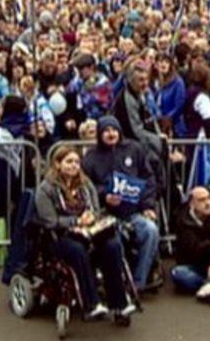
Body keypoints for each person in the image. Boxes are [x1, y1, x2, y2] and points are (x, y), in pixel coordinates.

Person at [34, 145, 137, 323]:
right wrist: (76, 222)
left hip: (89, 232)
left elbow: (95, 209)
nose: (74, 165)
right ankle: (92, 304)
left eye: (76, 162)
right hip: (61, 236)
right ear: (57, 164)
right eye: (69, 162)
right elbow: (49, 221)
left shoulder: (86, 184)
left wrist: (92, 217)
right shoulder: (46, 189)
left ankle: (119, 303)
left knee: (112, 245)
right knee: (77, 250)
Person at [81, 116, 161, 292]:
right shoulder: (91, 157)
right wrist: (104, 195)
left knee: (151, 230)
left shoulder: (134, 149)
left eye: (114, 130)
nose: (111, 134)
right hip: (105, 214)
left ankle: (138, 282)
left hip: (133, 212)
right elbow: (86, 186)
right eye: (106, 131)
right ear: (100, 134)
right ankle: (116, 282)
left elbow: (148, 178)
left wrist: (148, 206)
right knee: (114, 240)